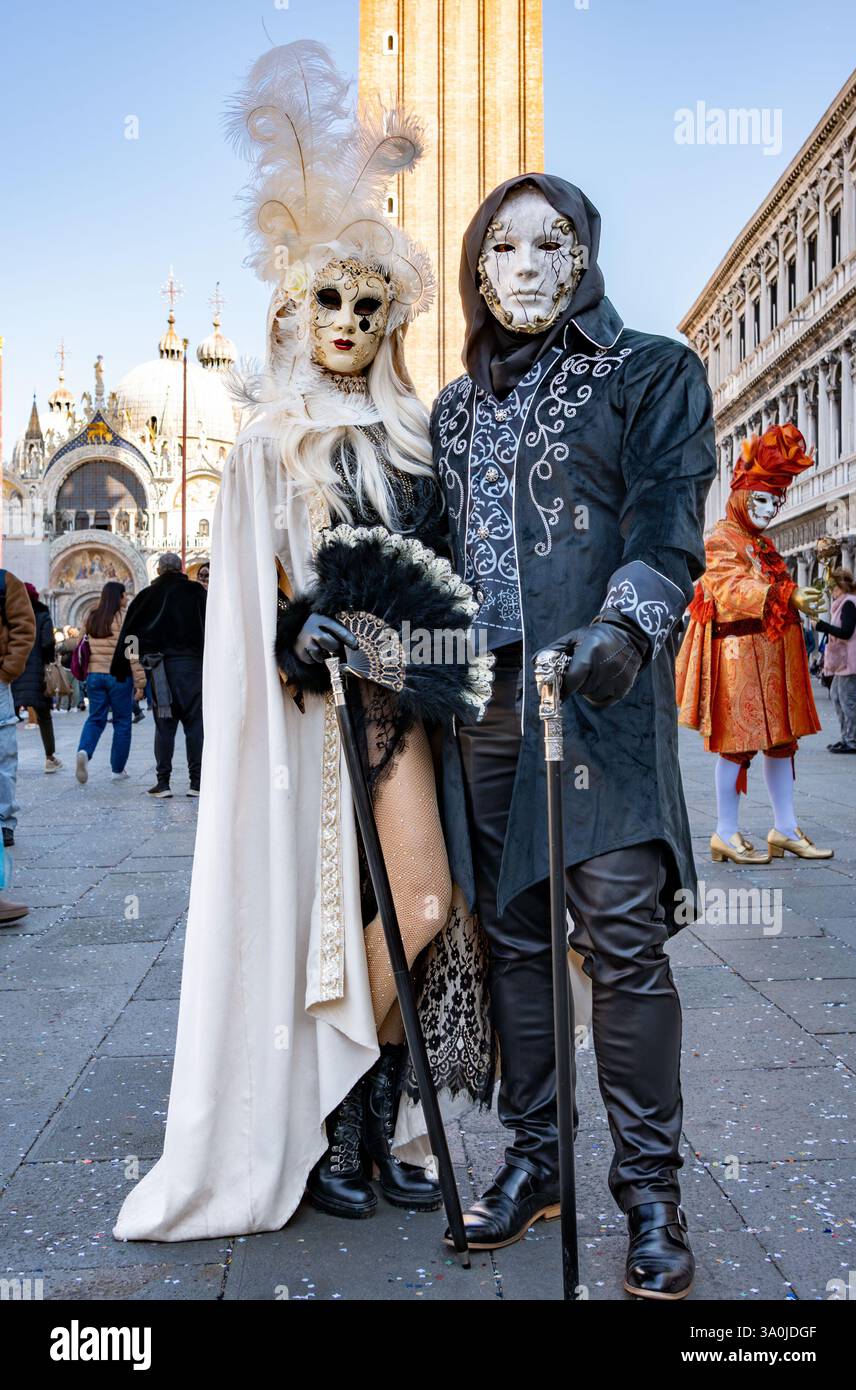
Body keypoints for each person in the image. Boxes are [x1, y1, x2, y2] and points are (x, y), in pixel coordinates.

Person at [114, 42, 491, 1245]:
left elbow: (446, 576)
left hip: (399, 710)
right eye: (328, 298)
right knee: (308, 916)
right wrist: (296, 631)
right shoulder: (266, 440)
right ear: (295, 304)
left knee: (425, 899)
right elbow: (256, 597)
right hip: (307, 708)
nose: (347, 322)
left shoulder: (416, 437)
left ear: (391, 319)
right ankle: (330, 1120)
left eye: (369, 305)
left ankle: (376, 1106)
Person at [430, 174, 716, 1299]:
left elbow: (665, 514)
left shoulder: (648, 369)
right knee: (511, 939)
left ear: (584, 257)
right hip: (484, 707)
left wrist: (627, 621)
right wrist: (339, 616)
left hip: (598, 691)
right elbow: (415, 552)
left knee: (619, 940)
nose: (528, 264)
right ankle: (535, 1159)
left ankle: (649, 1191)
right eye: (502, 244)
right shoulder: (451, 410)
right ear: (476, 265)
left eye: (553, 243)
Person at [677, 425, 832, 861]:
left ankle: (784, 828)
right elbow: (732, 587)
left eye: (775, 502)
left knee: (782, 743)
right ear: (742, 496)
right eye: (761, 500)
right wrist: (787, 593)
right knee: (737, 746)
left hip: (773, 659)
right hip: (737, 660)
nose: (768, 511)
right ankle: (725, 832)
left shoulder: (761, 543)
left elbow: (778, 588)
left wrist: (802, 595)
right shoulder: (719, 540)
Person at [111, 553, 206, 797]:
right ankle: (197, 782)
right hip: (194, 667)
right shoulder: (197, 593)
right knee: (195, 723)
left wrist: (128, 662)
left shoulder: (146, 597)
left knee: (165, 724)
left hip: (160, 668)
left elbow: (130, 635)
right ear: (180, 568)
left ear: (159, 571)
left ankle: (163, 783)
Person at [75, 582, 145, 783]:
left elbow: (80, 644)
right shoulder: (127, 619)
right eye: (125, 596)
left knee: (95, 718)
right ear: (120, 597)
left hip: (94, 675)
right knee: (122, 721)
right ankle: (117, 769)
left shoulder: (92, 616)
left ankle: (84, 751)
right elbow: (133, 654)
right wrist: (140, 682)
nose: (126, 600)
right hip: (119, 676)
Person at [0, 566, 35, 923]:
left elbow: (24, 628)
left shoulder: (3, 582)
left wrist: (7, 671)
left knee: (2, 761)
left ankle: (4, 821)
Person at [12, 583, 61, 773]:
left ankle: (5, 757)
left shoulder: (11, 615)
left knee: (7, 716)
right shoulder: (42, 615)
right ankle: (49, 758)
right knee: (44, 716)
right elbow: (48, 642)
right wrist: (47, 660)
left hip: (13, 670)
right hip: (37, 671)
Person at [815, 568, 856, 755]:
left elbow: (847, 632)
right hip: (844, 659)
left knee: (847, 700)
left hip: (850, 658)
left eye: (833, 588)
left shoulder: (850, 603)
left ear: (842, 586)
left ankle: (853, 741)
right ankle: (846, 737)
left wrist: (822, 626)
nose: (831, 592)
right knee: (837, 696)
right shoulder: (846, 602)